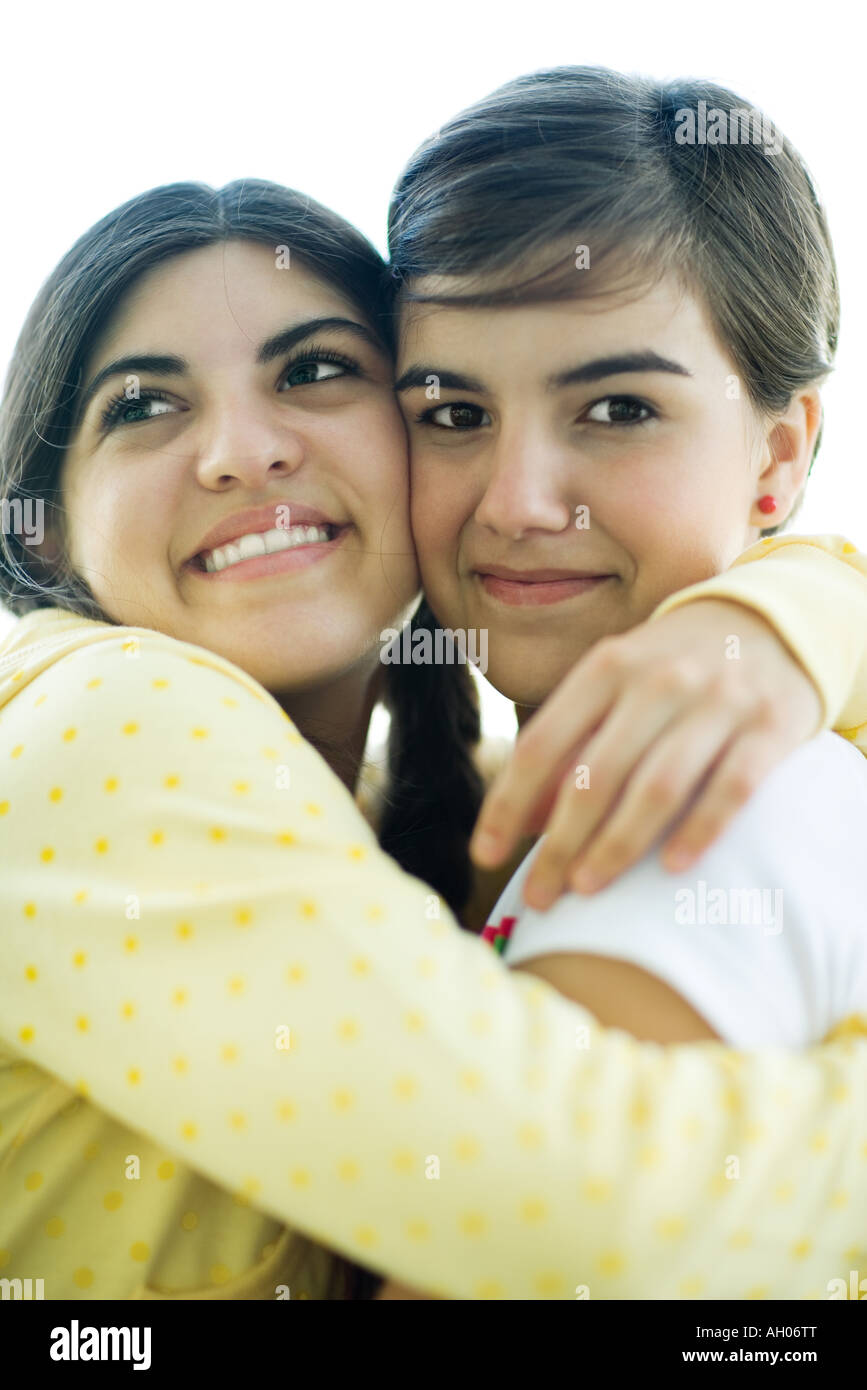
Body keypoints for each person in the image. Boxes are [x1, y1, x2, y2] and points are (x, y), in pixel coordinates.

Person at [0, 177, 865, 1302]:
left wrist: (785, 614)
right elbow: (577, 1222)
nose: (242, 452)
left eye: (313, 371)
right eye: (144, 406)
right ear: (54, 535)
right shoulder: (103, 723)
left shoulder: (430, 818)